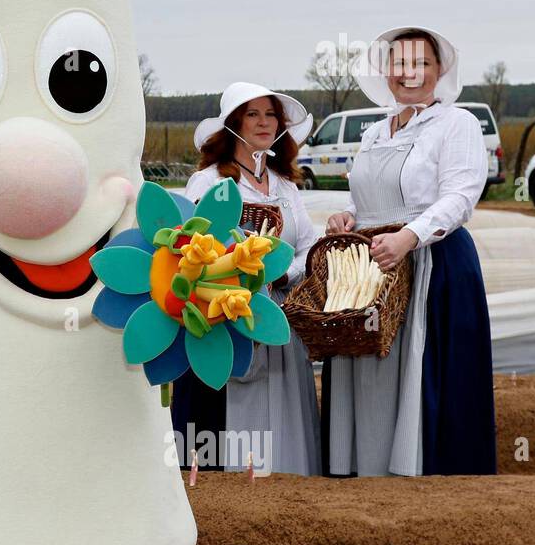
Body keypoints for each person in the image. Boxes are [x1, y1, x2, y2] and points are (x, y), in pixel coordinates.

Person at [323, 27, 495, 475]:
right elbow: (365, 196)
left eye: (421, 63)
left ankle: (426, 472)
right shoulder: (376, 131)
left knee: (425, 370)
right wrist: (347, 218)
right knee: (369, 359)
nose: (410, 73)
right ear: (387, 71)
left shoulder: (456, 124)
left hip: (433, 263)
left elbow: (459, 197)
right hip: (372, 266)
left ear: (440, 71)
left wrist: (408, 237)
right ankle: (368, 465)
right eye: (400, 63)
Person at [173, 83, 321, 475]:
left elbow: (308, 244)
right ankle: (236, 491)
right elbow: (193, 252)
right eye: (252, 114)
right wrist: (244, 280)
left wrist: (284, 273)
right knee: (231, 416)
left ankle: (290, 482)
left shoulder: (286, 185)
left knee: (284, 414)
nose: (263, 122)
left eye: (270, 114)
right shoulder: (210, 183)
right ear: (234, 124)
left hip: (281, 320)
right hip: (229, 322)